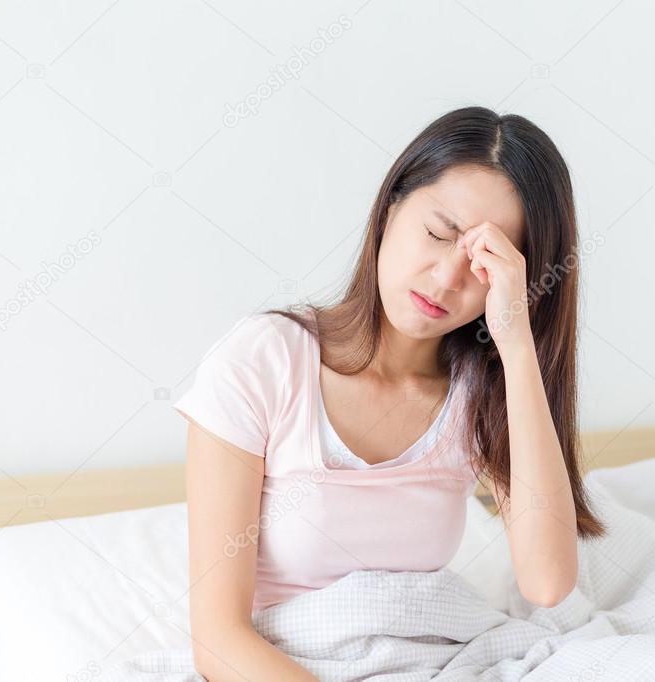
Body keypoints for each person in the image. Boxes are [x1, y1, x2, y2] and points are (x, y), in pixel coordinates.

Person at [173, 105, 607, 680]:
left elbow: (548, 582)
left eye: (483, 263)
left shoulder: (479, 392)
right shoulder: (264, 360)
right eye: (438, 233)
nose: (447, 279)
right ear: (391, 206)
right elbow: (219, 641)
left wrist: (518, 346)